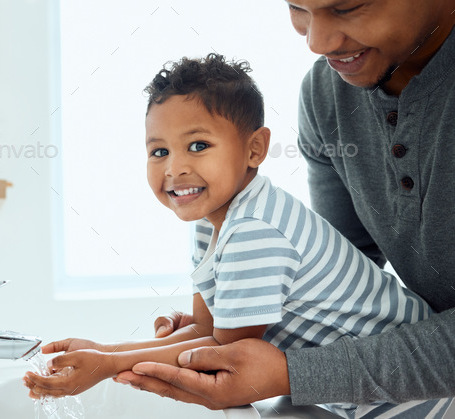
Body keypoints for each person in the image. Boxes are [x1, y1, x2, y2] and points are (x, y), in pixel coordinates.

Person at [23, 53, 451, 418]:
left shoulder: (255, 231)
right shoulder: (210, 224)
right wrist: (104, 351)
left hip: (420, 399)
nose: (174, 168)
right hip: (364, 395)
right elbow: (206, 331)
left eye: (197, 146)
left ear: (255, 150)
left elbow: (224, 356)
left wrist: (107, 363)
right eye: (159, 151)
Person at [115, 0, 455, 413]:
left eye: (347, 7)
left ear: (256, 148)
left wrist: (291, 372)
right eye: (297, 7)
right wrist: (239, 313)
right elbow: (340, 269)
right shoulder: (328, 92)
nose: (317, 42)